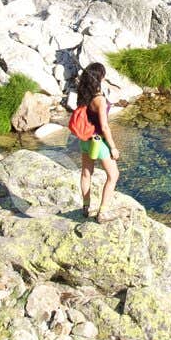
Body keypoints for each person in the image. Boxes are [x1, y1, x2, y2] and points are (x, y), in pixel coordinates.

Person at [71, 61, 121, 221]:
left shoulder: (83, 94)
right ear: (100, 78)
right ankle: (103, 212)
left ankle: (86, 207)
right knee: (113, 175)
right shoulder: (100, 100)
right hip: (98, 142)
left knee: (86, 173)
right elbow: (104, 127)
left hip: (85, 140)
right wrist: (113, 147)